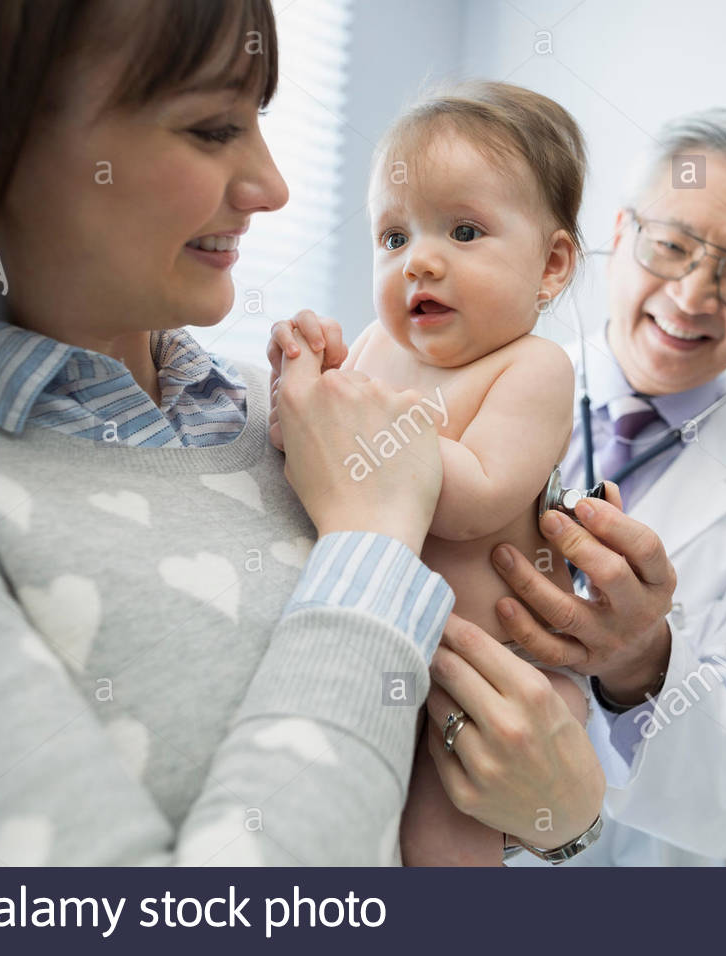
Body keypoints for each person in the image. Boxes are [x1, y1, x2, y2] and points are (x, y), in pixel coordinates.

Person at [0, 0, 601, 866]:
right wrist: (373, 539)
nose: (273, 186)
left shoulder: (285, 414)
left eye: (257, 120)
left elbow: (444, 789)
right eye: (212, 127)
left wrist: (567, 816)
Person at [492, 109, 726, 866]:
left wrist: (643, 666)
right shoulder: (470, 382)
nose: (692, 296)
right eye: (673, 245)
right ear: (620, 235)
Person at [267, 81, 594, 865]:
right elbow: (316, 464)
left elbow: (477, 497)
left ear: (550, 267)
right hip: (374, 656)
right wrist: (299, 396)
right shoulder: (383, 355)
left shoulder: (534, 367)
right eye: (393, 238)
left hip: (480, 689)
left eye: (465, 230)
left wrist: (357, 423)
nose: (420, 261)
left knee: (441, 844)